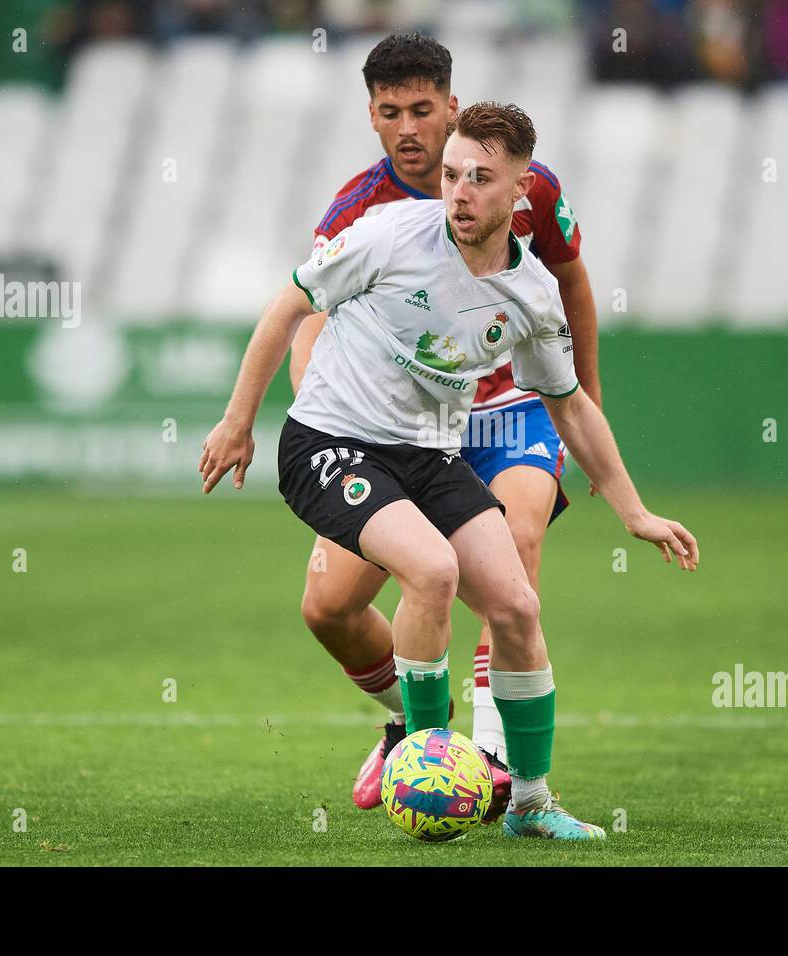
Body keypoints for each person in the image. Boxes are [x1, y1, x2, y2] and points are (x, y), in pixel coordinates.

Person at [200, 102, 699, 840]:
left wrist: (634, 510)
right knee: (429, 570)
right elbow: (288, 308)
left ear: (520, 191)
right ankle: (426, 767)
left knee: (518, 606)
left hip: (428, 455)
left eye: (480, 178)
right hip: (331, 442)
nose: (459, 191)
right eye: (452, 174)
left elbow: (568, 405)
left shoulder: (530, 293)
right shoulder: (385, 235)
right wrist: (238, 421)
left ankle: (530, 801)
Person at [288, 33, 603, 817]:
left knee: (515, 547)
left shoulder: (521, 185)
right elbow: (305, 322)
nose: (410, 129)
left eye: (423, 110)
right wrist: (340, 431)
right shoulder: (360, 210)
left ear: (451, 108)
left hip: (510, 406)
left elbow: (568, 282)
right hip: (397, 427)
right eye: (391, 113)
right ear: (371, 117)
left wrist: (585, 401)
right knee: (328, 607)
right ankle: (413, 722)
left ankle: (497, 767)